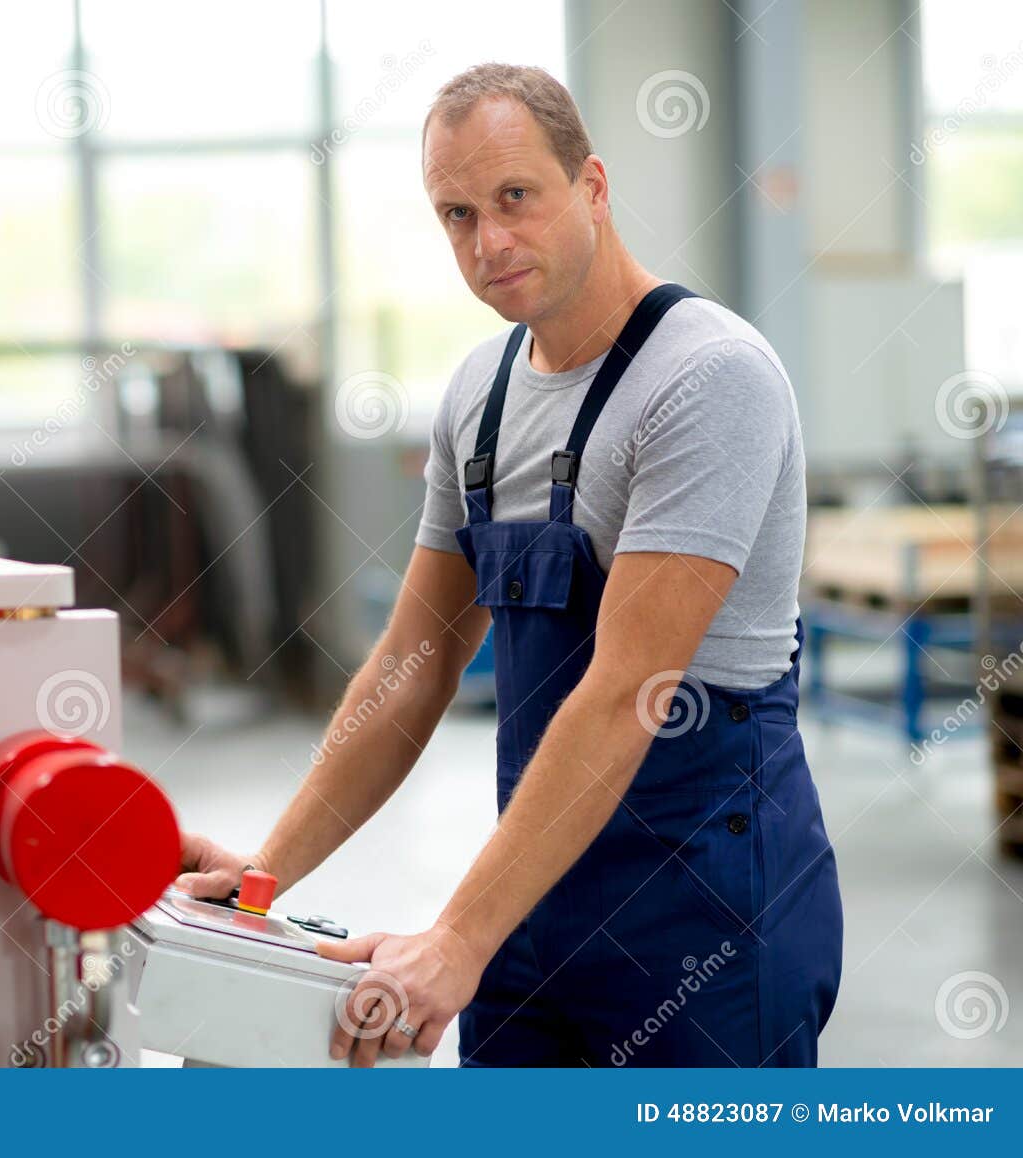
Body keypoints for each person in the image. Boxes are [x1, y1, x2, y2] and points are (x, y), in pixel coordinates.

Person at [176, 63, 842, 1068]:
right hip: (529, 905)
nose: (488, 243)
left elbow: (627, 691)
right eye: (456, 214)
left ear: (593, 186)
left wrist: (455, 940)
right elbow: (412, 667)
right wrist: (265, 876)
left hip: (708, 920)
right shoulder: (478, 398)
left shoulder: (708, 380)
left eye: (514, 198)